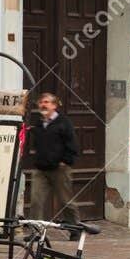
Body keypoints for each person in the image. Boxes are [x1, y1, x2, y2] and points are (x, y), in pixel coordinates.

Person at [25, 91, 80, 224]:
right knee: (36, 201)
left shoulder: (63, 122)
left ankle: (75, 228)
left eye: (46, 102)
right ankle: (36, 230)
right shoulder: (39, 123)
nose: (43, 105)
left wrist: (65, 161)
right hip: (41, 169)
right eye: (41, 102)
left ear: (54, 105)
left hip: (59, 169)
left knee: (66, 201)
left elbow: (73, 143)